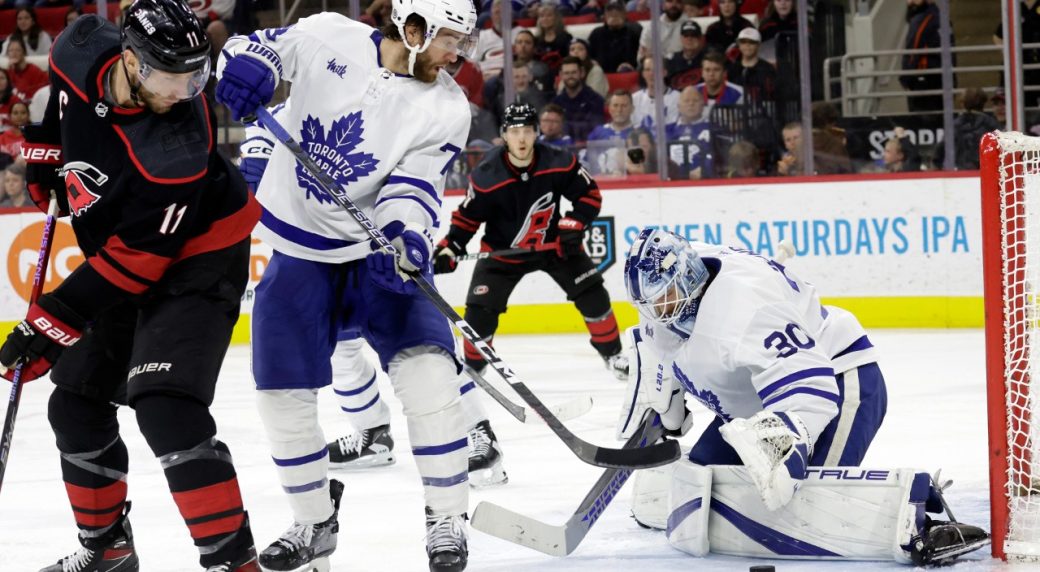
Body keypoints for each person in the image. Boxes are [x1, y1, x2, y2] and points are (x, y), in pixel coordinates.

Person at [215, 0, 479, 568]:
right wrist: (244, 67)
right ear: (412, 28)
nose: (457, 53)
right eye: (449, 38)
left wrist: (405, 236)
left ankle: (446, 520)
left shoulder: (449, 107)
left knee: (430, 373)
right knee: (280, 394)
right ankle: (313, 522)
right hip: (298, 254)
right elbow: (251, 48)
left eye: (463, 40)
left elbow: (414, 183)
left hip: (376, 251)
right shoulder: (328, 34)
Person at [0, 1, 262, 570]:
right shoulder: (79, 43)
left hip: (199, 256)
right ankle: (107, 552)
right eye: (173, 75)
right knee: (75, 401)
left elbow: (136, 264)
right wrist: (48, 152)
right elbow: (62, 92)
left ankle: (235, 562)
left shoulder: (176, 151)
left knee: (166, 406)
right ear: (131, 60)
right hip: (123, 248)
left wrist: (51, 319)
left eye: (197, 75)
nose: (186, 90)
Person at [616, 228, 990, 565]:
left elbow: (812, 389)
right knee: (704, 482)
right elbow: (660, 335)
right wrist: (664, 400)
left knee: (805, 504)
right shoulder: (679, 272)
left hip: (840, 381)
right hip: (762, 394)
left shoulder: (743, 311)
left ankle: (922, 514)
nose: (657, 310)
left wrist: (785, 449)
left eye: (664, 297)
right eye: (648, 302)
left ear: (688, 277)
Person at [237, 103, 510, 488]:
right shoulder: (278, 113)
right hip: (319, 255)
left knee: (423, 348)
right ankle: (373, 434)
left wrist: (406, 228)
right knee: (344, 352)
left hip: (378, 245)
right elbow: (256, 166)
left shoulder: (366, 96)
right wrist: (257, 173)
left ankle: (476, 431)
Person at [433, 103, 630, 382]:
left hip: (555, 248)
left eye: (527, 130)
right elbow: (467, 218)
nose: (522, 139)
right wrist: (450, 247)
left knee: (594, 295)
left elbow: (589, 195)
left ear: (537, 132)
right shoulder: (487, 175)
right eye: (515, 132)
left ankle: (613, 355)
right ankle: (474, 368)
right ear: (504, 135)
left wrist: (573, 225)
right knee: (479, 315)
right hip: (502, 255)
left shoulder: (559, 161)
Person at [900, 0, 944, 113]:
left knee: (922, 122)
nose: (910, 2)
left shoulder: (923, 20)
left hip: (924, 82)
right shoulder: (942, 17)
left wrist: (905, 78)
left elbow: (913, 50)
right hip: (939, 79)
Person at [552, 55, 606, 141]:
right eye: (567, 73)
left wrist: (565, 127)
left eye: (574, 72)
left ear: (582, 73)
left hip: (587, 146)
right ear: (561, 75)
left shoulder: (595, 99)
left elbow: (595, 129)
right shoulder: (556, 102)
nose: (570, 76)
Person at [665, 85, 713, 179]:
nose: (691, 104)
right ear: (678, 106)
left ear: (703, 105)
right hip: (672, 182)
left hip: (703, 182)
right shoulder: (667, 130)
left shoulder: (714, 129)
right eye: (686, 101)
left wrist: (704, 170)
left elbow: (720, 157)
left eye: (695, 100)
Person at [585, 89, 636, 175]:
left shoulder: (639, 133)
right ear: (609, 109)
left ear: (632, 109)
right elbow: (587, 161)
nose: (619, 110)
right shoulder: (597, 132)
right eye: (615, 105)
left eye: (624, 106)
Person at [587, 1, 642, 73]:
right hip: (602, 74)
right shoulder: (596, 33)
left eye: (618, 10)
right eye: (610, 11)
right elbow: (588, 56)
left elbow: (641, 55)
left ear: (625, 14)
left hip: (628, 74)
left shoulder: (634, 31)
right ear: (605, 15)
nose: (614, 14)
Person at [725, 27, 776, 104]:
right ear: (739, 44)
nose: (747, 45)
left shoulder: (768, 69)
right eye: (743, 42)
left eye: (751, 42)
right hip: (736, 110)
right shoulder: (732, 69)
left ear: (758, 45)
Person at [633, 55, 680, 131]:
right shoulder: (635, 99)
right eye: (647, 70)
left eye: (656, 70)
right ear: (643, 74)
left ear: (664, 73)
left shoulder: (677, 98)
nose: (651, 74)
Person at [665, 19, 705, 90]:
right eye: (686, 35)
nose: (689, 39)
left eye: (693, 35)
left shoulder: (708, 59)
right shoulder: (671, 61)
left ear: (700, 38)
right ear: (681, 38)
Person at [6, 38, 49, 102]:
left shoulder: (34, 70)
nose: (14, 53)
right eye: (11, 50)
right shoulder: (6, 73)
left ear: (24, 52)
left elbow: (46, 89)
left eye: (18, 50)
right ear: (7, 54)